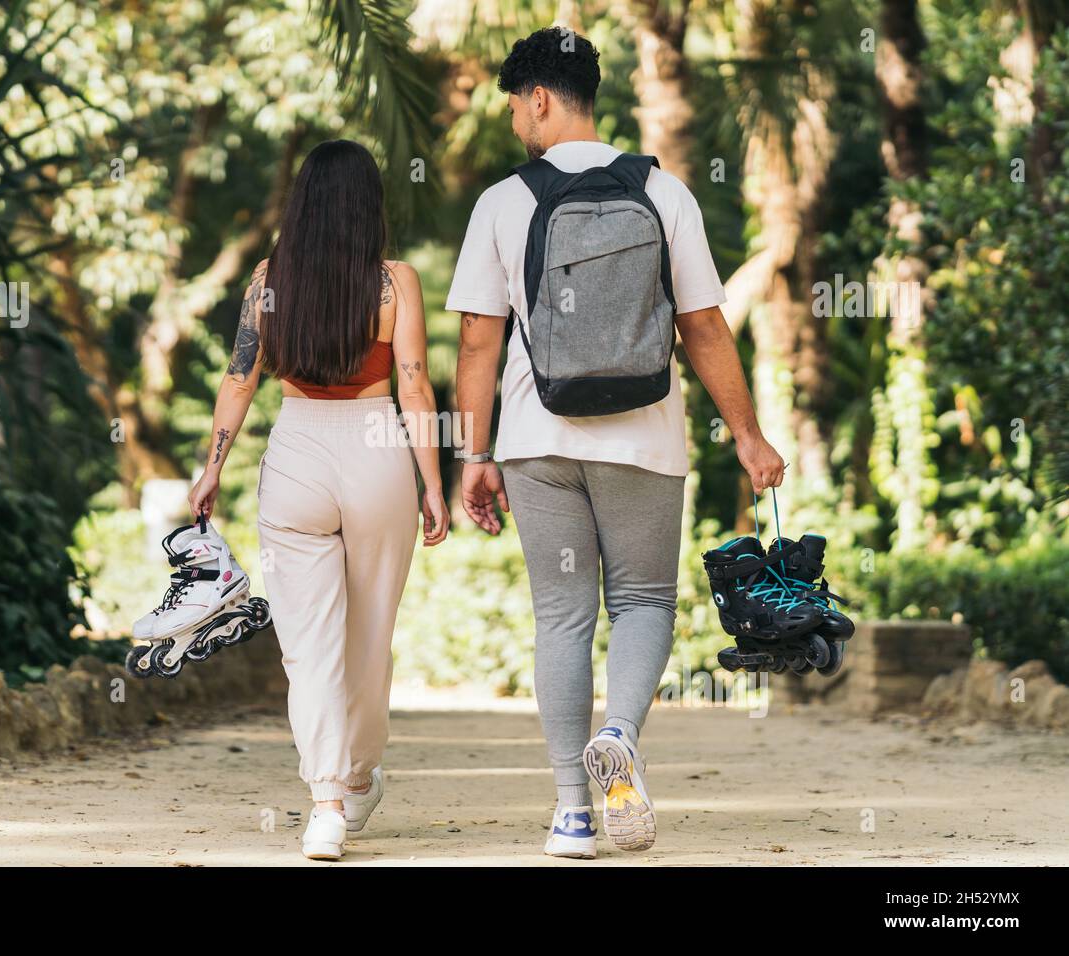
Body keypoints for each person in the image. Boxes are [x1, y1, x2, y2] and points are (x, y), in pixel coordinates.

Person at [448, 27, 785, 859]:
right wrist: (747, 434)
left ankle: (570, 810)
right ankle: (622, 739)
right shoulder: (663, 192)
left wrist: (473, 457)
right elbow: (704, 326)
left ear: (539, 100)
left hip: (537, 440)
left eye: (518, 112)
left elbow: (476, 348)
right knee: (642, 602)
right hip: (642, 438)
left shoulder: (502, 201)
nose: (517, 129)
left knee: (561, 617)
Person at [188, 140, 449, 861]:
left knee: (308, 650)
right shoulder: (396, 283)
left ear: (300, 203)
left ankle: (327, 803)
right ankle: (358, 777)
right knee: (367, 639)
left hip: (296, 448)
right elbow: (416, 387)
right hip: (376, 449)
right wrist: (433, 483)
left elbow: (240, 379)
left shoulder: (268, 282)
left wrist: (212, 468)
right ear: (370, 206)